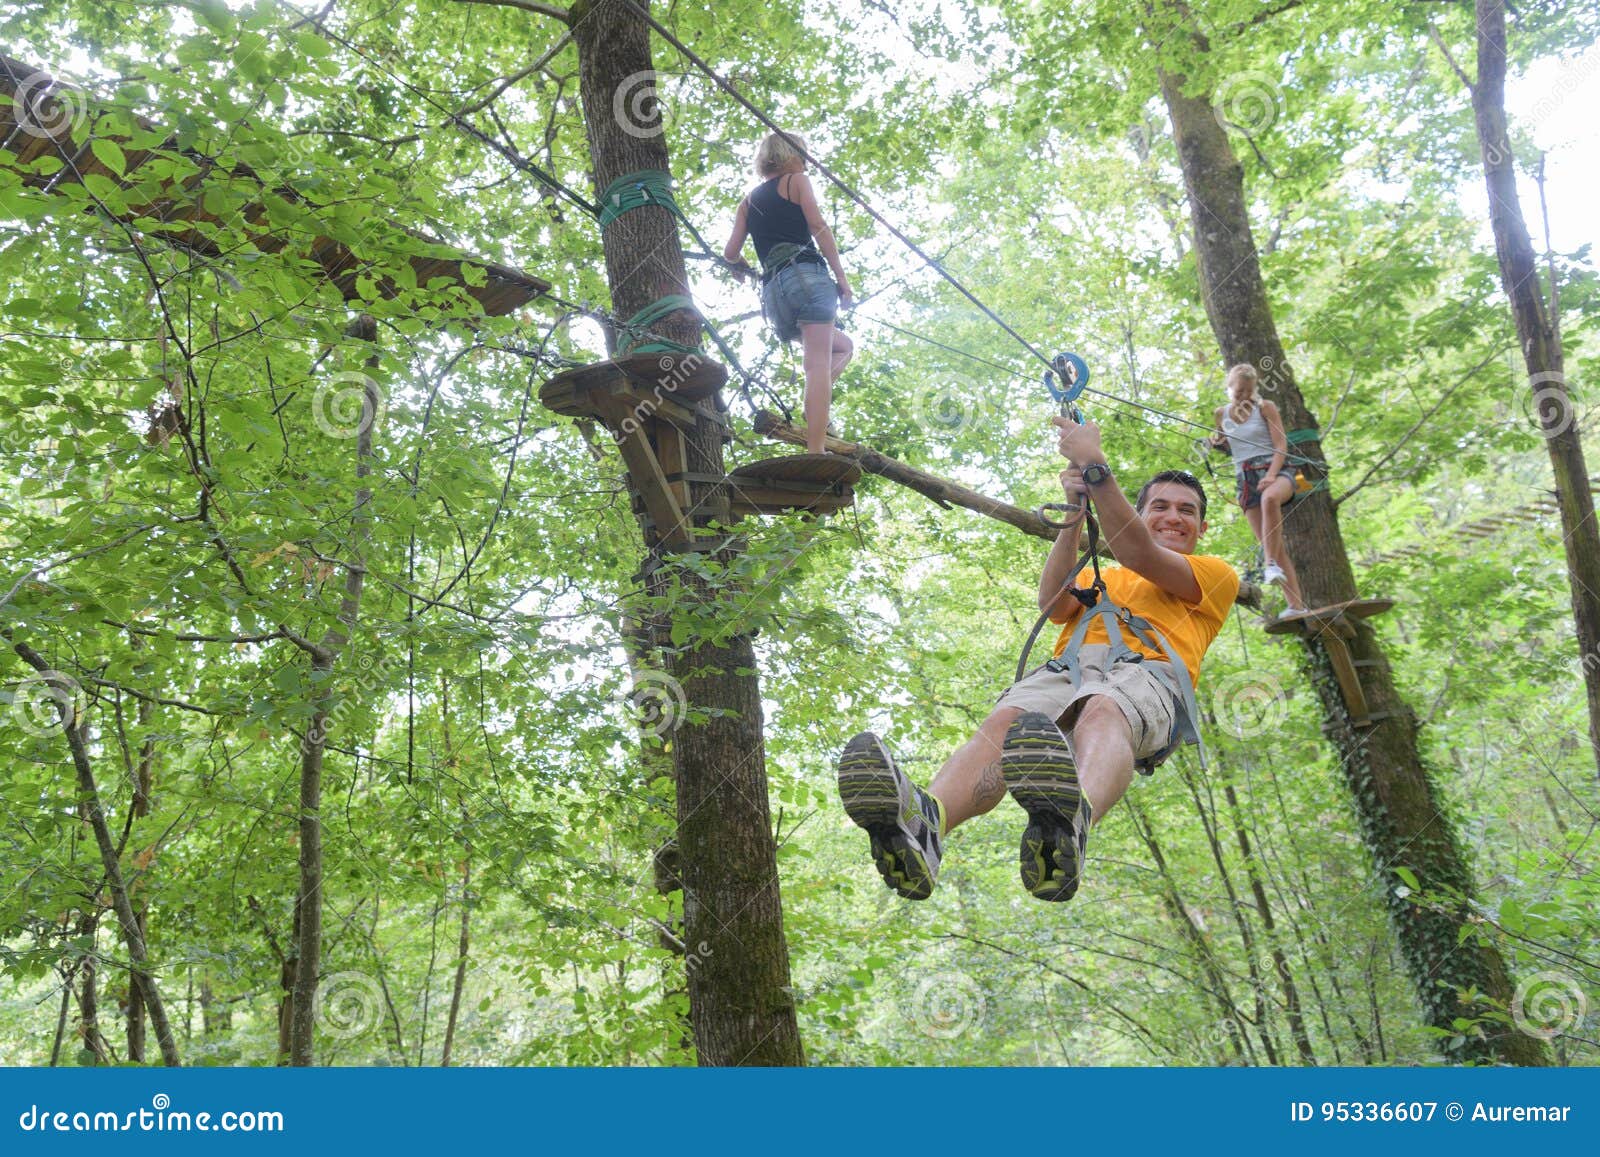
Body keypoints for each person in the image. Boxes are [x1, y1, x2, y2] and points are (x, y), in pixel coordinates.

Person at [836, 413, 1239, 902]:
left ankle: (1072, 820)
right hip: (1067, 669)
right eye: (1160, 506)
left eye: (1187, 510)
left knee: (1105, 708)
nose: (1174, 516)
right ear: (1139, 512)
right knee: (1007, 721)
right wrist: (1075, 513)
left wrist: (1096, 465)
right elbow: (1054, 603)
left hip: (1145, 675)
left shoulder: (1215, 575)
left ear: (1202, 527)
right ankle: (928, 825)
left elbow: (1138, 552)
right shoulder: (1102, 573)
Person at [723, 131, 853, 454]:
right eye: (803, 155)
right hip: (807, 278)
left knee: (843, 348)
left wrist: (739, 266)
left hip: (775, 299)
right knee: (817, 365)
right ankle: (815, 450)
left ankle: (814, 406)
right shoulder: (796, 181)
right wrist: (841, 278)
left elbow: (729, 252)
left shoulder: (747, 202)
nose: (806, 163)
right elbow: (818, 226)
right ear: (790, 155)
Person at [1209, 363, 1306, 615]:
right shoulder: (1222, 413)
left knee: (1270, 499)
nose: (1244, 396)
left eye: (1249, 391)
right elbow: (1224, 442)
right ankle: (1296, 605)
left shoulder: (1265, 408)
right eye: (1239, 391)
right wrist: (1216, 440)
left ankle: (1269, 564)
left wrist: (1272, 474)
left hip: (1275, 469)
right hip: (1245, 477)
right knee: (1270, 541)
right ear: (1229, 388)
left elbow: (1280, 443)